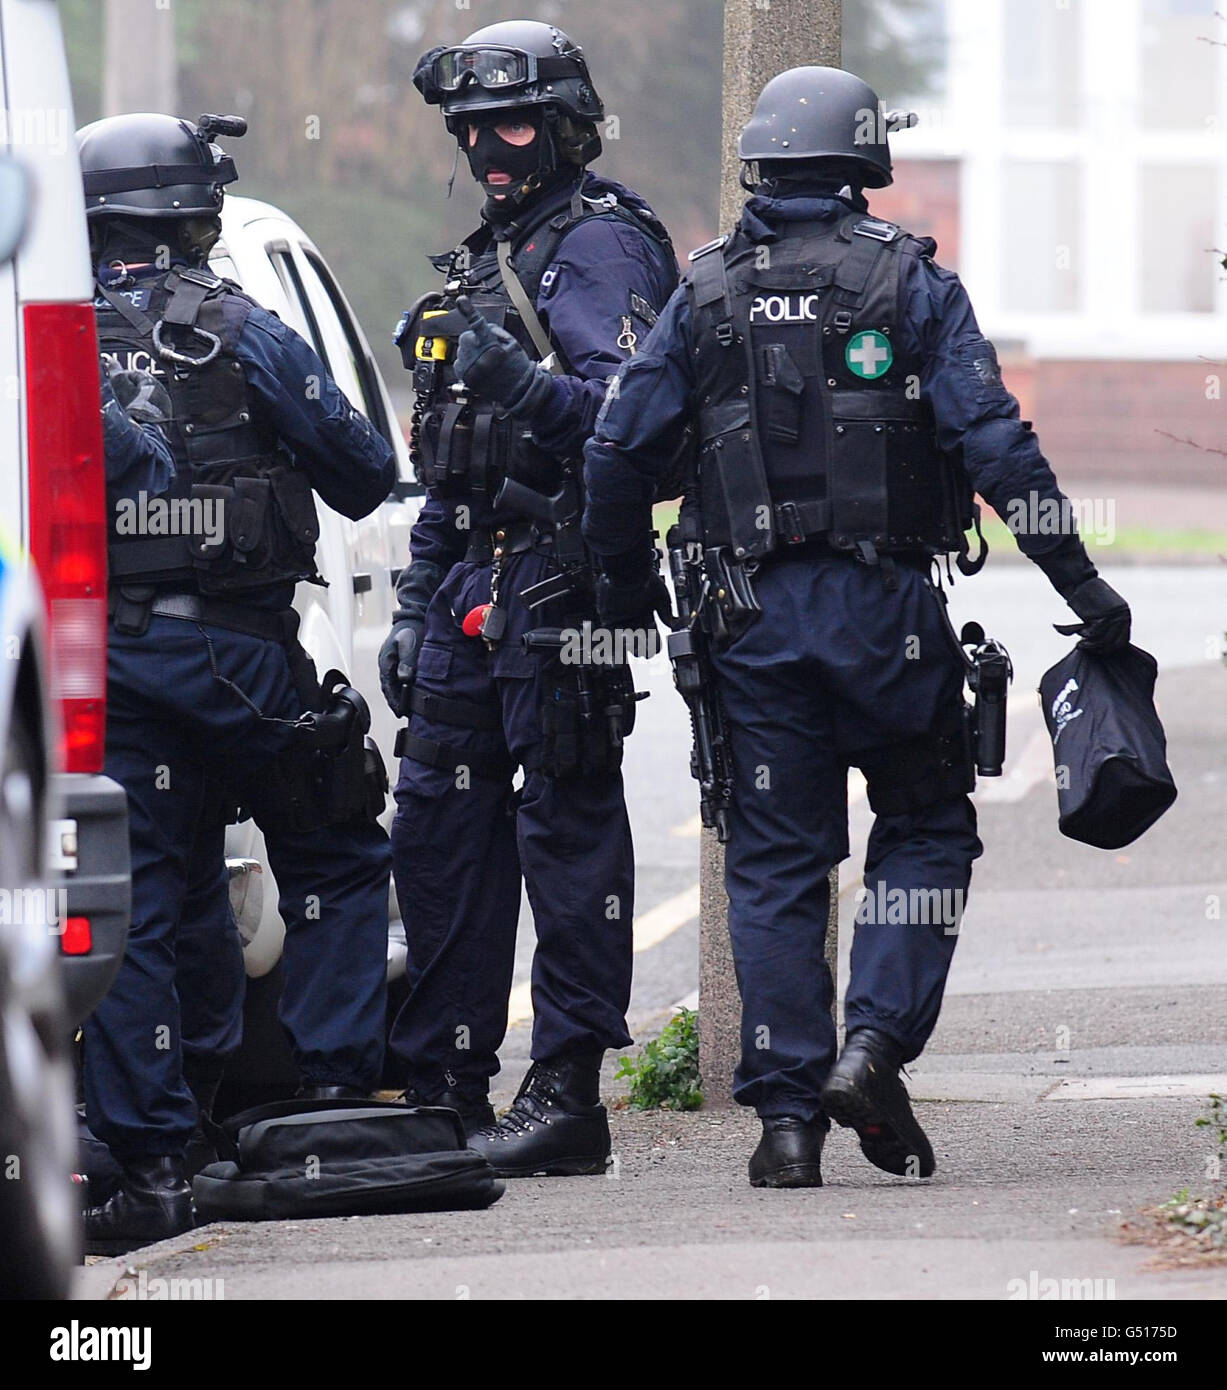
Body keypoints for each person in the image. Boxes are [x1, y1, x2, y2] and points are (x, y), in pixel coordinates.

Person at [583, 67, 1132, 1188]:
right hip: (886, 618)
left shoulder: (704, 294)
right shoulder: (911, 284)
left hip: (749, 625)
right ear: (864, 164)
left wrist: (625, 592)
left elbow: (613, 453)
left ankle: (788, 1126)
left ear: (760, 167)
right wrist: (1085, 591)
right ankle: (875, 1046)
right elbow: (999, 450)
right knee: (926, 825)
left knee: (779, 865)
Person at [78, 111, 396, 1251]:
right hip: (242, 659)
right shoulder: (241, 327)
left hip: (107, 667)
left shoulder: (42, 346)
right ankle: (329, 1108)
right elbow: (367, 476)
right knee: (340, 847)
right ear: (196, 219)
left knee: (137, 904)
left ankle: (160, 1165)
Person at [380, 20, 678, 1176]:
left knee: (566, 833)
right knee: (439, 830)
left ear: (562, 126)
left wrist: (515, 376)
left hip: (566, 574)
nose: (488, 149)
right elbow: (449, 468)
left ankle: (567, 1093)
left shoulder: (600, 249)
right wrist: (414, 602)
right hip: (471, 570)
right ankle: (448, 1081)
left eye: (509, 124)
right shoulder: (483, 257)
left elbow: (628, 428)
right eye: (469, 129)